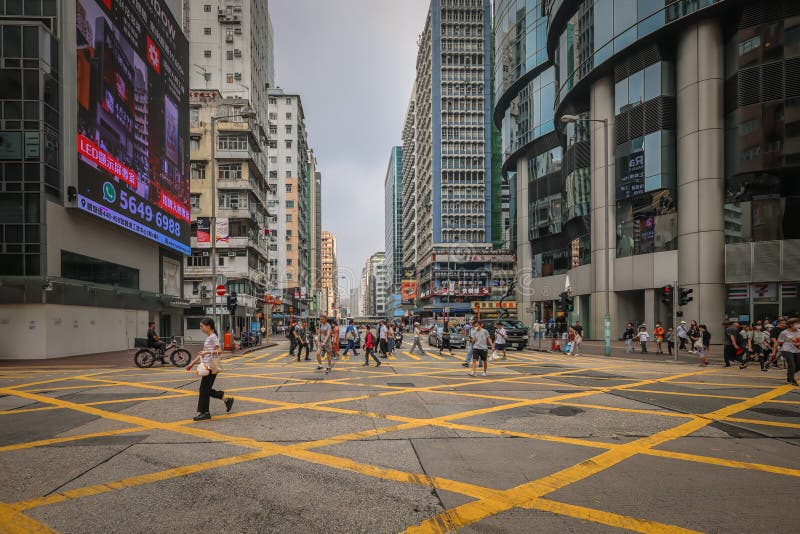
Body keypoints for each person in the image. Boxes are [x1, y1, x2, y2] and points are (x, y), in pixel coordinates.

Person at [185, 317, 234, 421]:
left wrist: (207, 352)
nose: (201, 328)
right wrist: (192, 363)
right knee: (206, 389)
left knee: (204, 389)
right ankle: (226, 399)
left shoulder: (213, 337)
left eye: (202, 326)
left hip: (211, 367)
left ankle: (205, 412)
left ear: (208, 326)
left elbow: (220, 351)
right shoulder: (208, 338)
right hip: (207, 366)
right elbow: (202, 353)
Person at [777, 317, 800, 386]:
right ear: (791, 324)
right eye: (796, 323)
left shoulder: (799, 331)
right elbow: (778, 343)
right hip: (786, 350)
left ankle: (790, 375)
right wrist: (773, 352)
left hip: (797, 350)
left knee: (798, 365)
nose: (798, 325)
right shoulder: (784, 333)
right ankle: (791, 380)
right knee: (792, 365)